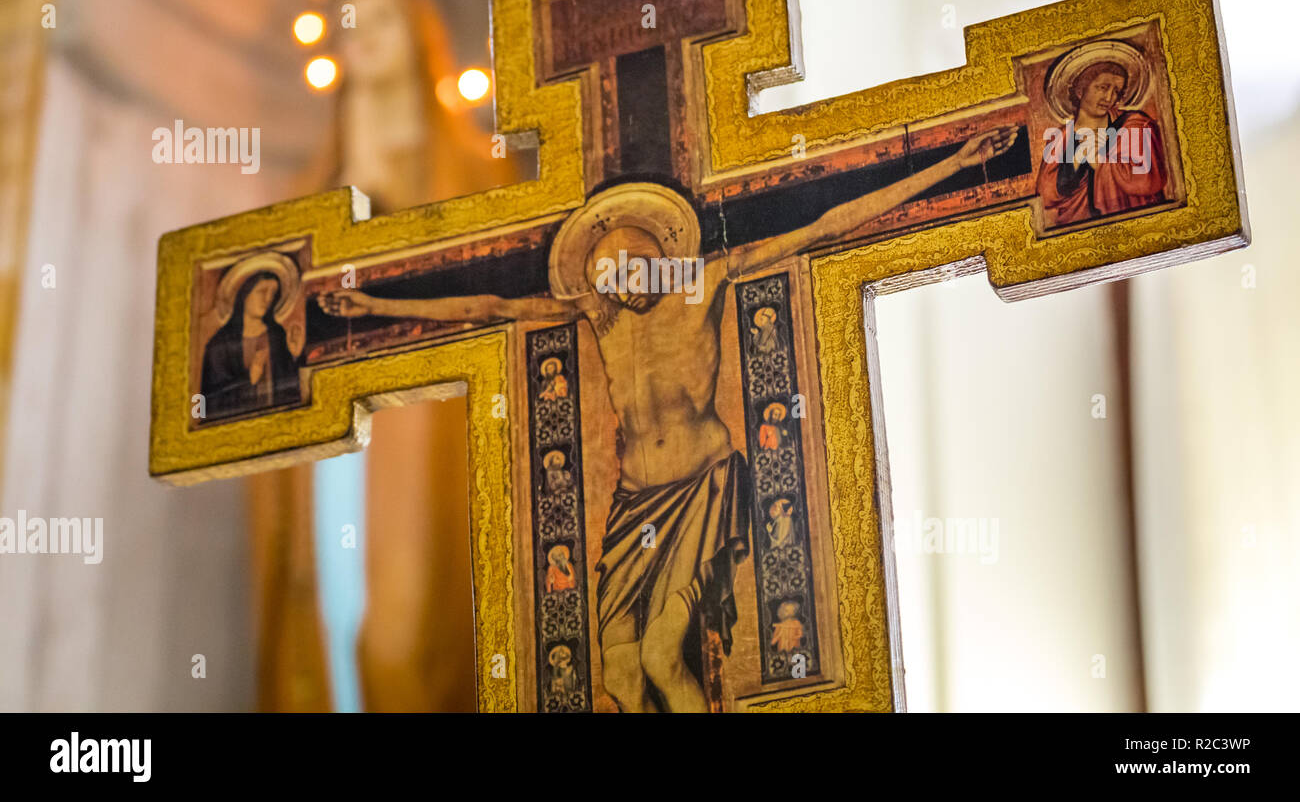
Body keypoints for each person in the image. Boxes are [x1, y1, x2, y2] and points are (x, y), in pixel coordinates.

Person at [319, 125, 1015, 712]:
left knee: (660, 654)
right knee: (619, 671)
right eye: (606, 276)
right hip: (633, 505)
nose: (619, 285)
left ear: (658, 256)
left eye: (629, 269)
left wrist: (954, 163)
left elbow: (822, 225)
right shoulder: (599, 317)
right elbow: (491, 309)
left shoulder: (702, 282)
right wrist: (378, 306)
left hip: (702, 487)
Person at [1038, 52, 1167, 226]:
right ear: (1080, 90)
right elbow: (1046, 195)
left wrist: (1101, 162)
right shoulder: (1060, 139)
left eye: (1116, 91)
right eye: (1103, 88)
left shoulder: (1134, 125)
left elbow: (1149, 181)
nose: (1109, 98)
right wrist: (1076, 160)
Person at [201, 270, 300, 420]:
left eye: (273, 293)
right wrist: (248, 378)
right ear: (245, 294)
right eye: (262, 291)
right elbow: (210, 396)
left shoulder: (276, 334)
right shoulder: (221, 343)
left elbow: (290, 385)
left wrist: (295, 355)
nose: (268, 299)